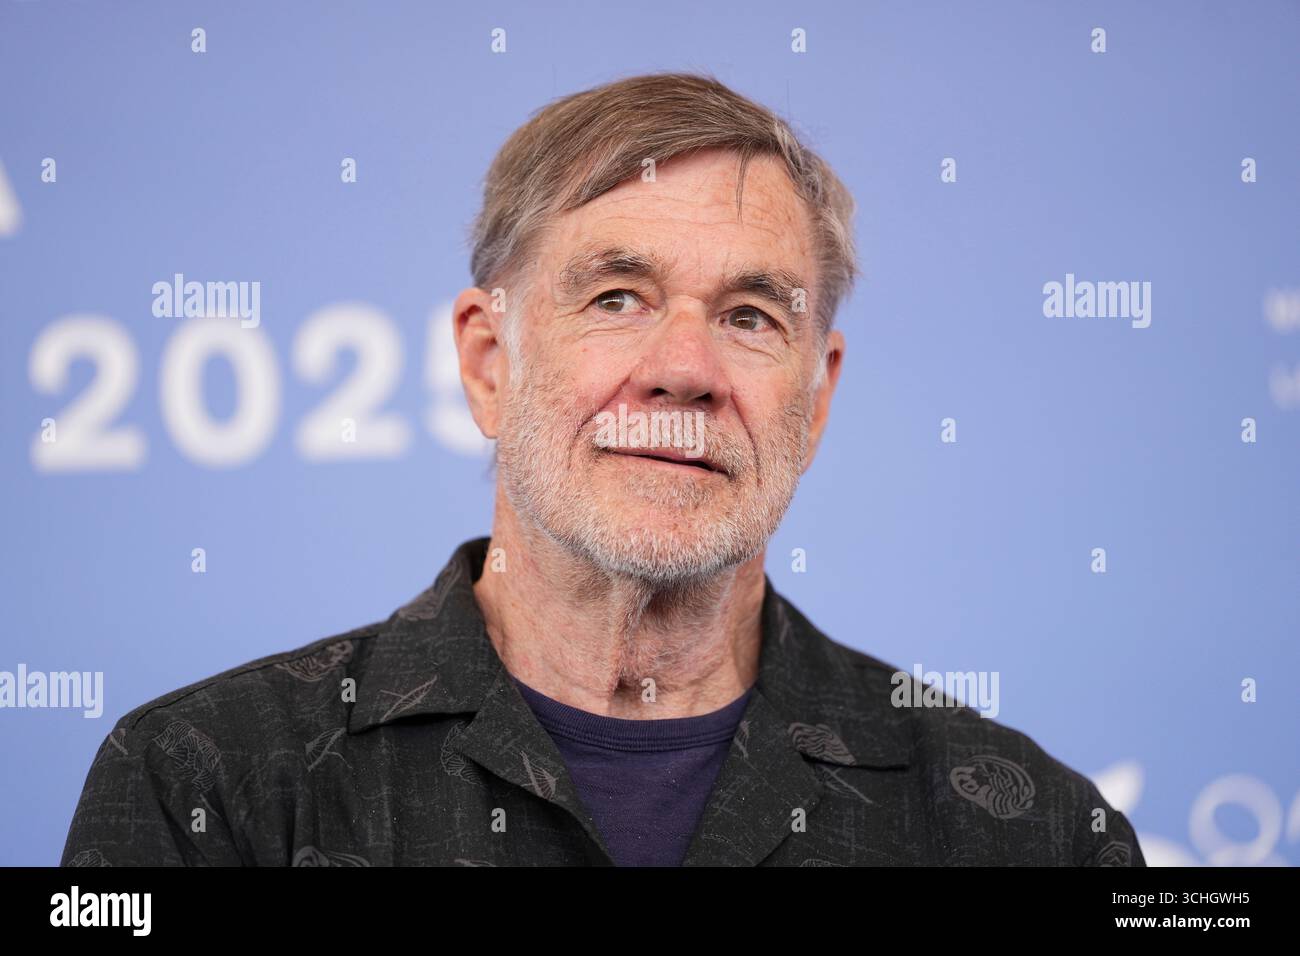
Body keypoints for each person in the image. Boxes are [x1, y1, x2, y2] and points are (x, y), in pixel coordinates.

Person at [61, 72, 1144, 867]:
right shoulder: (208, 783)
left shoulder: (1027, 831)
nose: (683, 368)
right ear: (490, 362)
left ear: (815, 398)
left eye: (750, 314)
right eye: (616, 296)